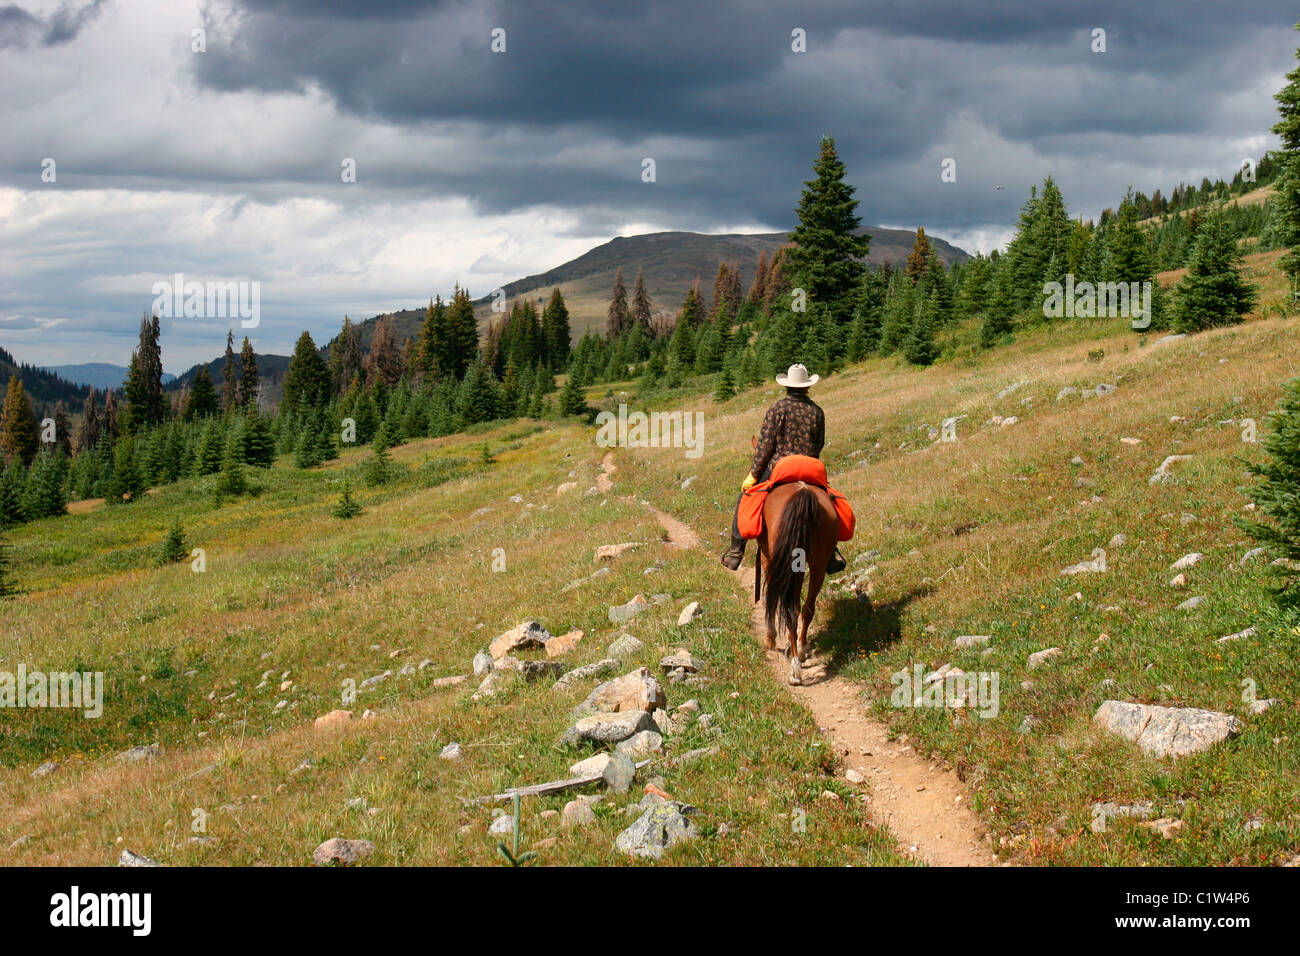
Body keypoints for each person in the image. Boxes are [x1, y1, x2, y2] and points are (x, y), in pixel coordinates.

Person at [720, 363, 847, 573]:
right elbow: (819, 444)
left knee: (745, 499)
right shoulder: (817, 412)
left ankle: (735, 552)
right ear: (807, 387)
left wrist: (753, 474)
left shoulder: (778, 408)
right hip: (810, 468)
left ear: (787, 386)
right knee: (828, 501)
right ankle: (831, 552)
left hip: (780, 467)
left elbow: (765, 445)